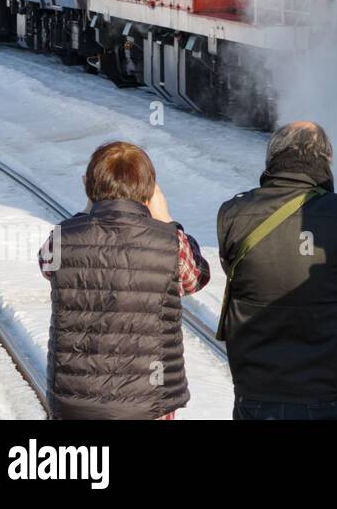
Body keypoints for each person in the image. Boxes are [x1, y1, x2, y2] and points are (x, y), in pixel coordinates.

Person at [217, 121, 337, 420]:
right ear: (326, 160)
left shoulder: (233, 214)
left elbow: (232, 268)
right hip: (335, 393)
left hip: (259, 393)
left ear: (272, 159)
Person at [38, 141, 210, 420]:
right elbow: (194, 280)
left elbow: (47, 267)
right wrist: (166, 219)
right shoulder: (169, 242)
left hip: (77, 404)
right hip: (150, 404)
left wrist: (86, 211)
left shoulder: (61, 239)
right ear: (150, 191)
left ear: (88, 186)